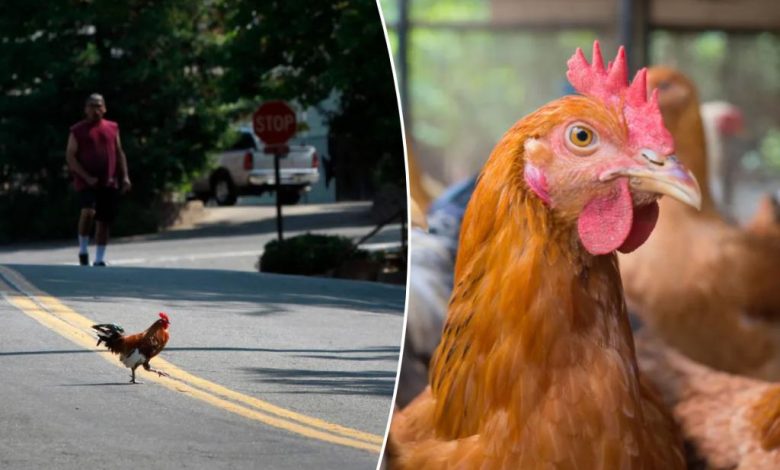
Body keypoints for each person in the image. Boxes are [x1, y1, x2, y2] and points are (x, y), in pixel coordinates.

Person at [65, 94, 131, 266]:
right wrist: (86, 176)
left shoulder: (112, 127)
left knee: (103, 220)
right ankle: (83, 249)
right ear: (86, 109)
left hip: (108, 180)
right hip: (86, 180)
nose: (96, 109)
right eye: (92, 106)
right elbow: (70, 156)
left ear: (105, 108)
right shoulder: (77, 130)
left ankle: (100, 258)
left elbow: (119, 152)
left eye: (99, 106)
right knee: (88, 211)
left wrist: (124, 176)